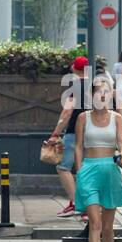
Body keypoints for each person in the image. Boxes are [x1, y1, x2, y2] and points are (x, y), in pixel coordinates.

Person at [74, 76, 122, 242]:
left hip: (111, 170)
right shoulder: (83, 118)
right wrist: (79, 170)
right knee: (95, 223)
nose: (102, 95)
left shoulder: (117, 118)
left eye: (106, 92)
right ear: (92, 95)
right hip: (89, 169)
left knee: (107, 226)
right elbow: (78, 146)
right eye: (98, 91)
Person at [49, 56, 90, 218]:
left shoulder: (75, 86)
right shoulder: (95, 85)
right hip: (92, 133)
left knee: (63, 167)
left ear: (74, 68)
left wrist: (55, 133)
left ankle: (75, 204)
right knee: (86, 169)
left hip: (74, 133)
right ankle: (89, 206)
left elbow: (67, 111)